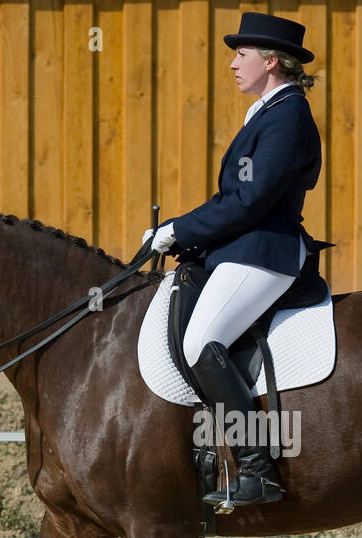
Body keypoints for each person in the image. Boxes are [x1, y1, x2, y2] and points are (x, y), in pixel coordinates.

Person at [144, 12, 329, 509]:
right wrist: (179, 232)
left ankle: (256, 466)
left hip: (264, 250)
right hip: (244, 246)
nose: (231, 64)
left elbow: (248, 202)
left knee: (202, 342)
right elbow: (231, 198)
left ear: (270, 61)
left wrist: (178, 229)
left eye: (240, 55)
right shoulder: (269, 111)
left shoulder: (289, 116)